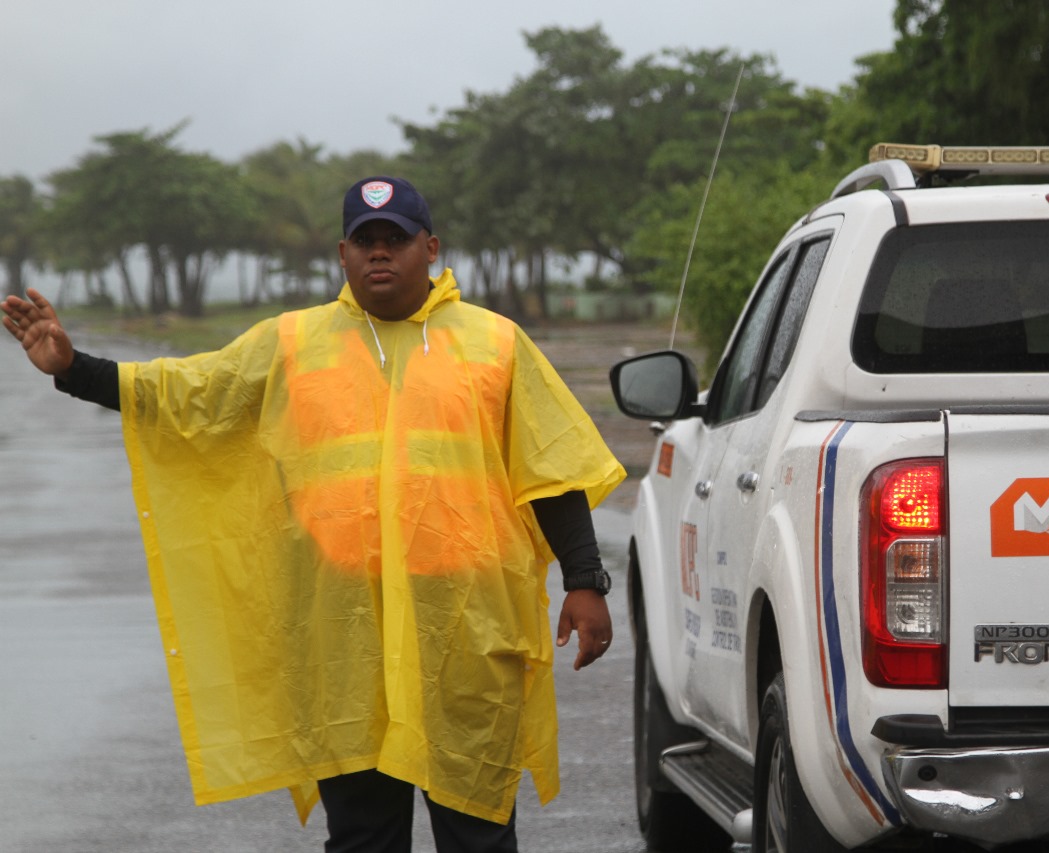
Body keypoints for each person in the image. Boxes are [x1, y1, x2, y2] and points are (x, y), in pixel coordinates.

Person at [1, 176, 625, 853]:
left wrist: (585, 579)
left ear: (432, 247)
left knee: (478, 833)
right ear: (342, 253)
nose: (379, 254)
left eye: (396, 240)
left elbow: (551, 469)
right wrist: (75, 368)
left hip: (466, 637)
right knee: (362, 838)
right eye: (365, 242)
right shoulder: (292, 343)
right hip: (341, 643)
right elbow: (191, 395)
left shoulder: (495, 343)